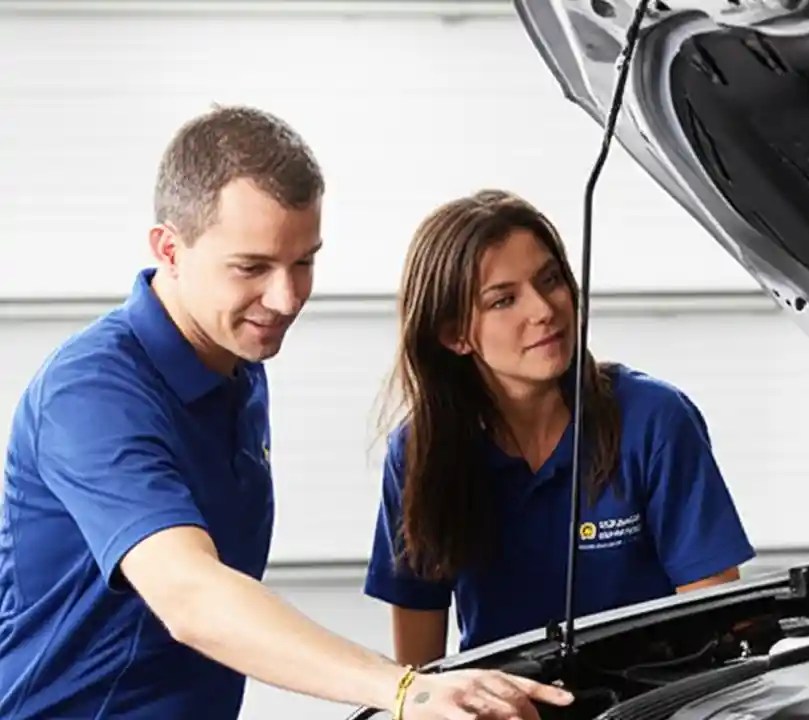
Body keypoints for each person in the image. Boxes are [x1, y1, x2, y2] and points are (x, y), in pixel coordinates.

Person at [0, 106, 572, 720]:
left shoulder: (236, 365)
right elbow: (189, 594)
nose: (287, 298)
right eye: (252, 267)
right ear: (170, 248)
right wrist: (402, 689)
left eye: (304, 261)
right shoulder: (90, 396)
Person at [364, 189, 757, 666]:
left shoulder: (655, 420)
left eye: (549, 280)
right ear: (455, 335)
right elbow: (417, 682)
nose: (544, 310)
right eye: (504, 299)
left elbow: (721, 628)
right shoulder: (417, 452)